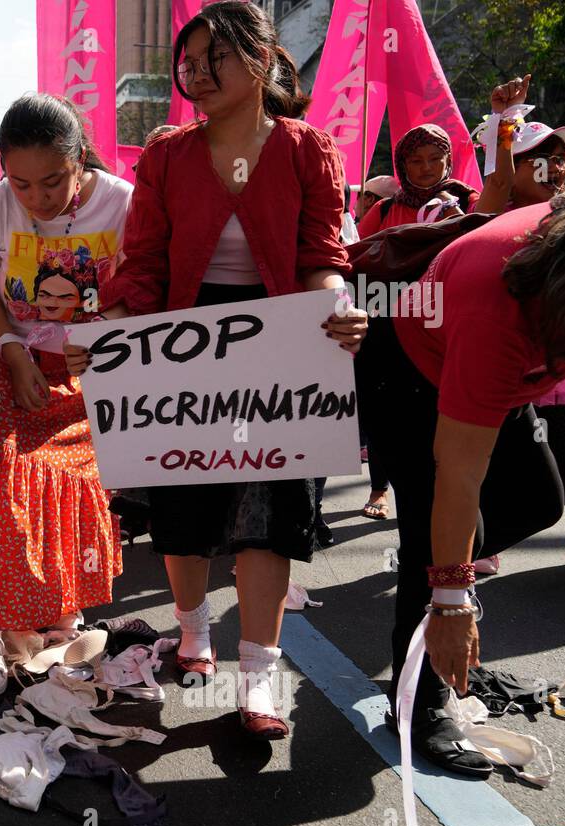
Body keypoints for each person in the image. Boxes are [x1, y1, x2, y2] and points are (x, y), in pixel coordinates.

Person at [101, 0, 367, 740]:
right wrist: (116, 330)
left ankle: (258, 680)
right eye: (189, 61)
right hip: (184, 345)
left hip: (283, 346)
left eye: (215, 57)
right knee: (183, 509)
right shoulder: (165, 155)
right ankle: (192, 636)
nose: (197, 73)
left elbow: (323, 259)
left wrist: (337, 307)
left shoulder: (308, 148)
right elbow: (145, 263)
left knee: (270, 514)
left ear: (261, 58)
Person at [360, 191, 565, 776]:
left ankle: (441, 604)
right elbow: (457, 477)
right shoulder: (499, 318)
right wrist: (450, 598)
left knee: (540, 501)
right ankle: (418, 697)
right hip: (409, 373)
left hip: (489, 356)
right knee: (435, 542)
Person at [0, 93, 131, 695]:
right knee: (0, 481)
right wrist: (10, 348)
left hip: (94, 370)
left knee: (76, 489)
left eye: (53, 181)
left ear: (80, 158)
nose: (38, 199)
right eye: (21, 184)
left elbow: (144, 288)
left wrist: (104, 333)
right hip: (16, 363)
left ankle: (58, 610)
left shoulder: (122, 203)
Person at [467, 76, 565, 575]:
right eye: (544, 155)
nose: (557, 166)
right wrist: (506, 118)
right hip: (494, 357)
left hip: (550, 357)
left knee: (561, 449)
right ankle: (470, 543)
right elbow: (495, 184)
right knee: (480, 452)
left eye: (563, 157)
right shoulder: (491, 210)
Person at [356, 125, 479, 239]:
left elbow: (483, 237)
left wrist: (450, 207)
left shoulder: (467, 199)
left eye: (435, 159)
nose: (426, 167)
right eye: (416, 161)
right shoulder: (384, 209)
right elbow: (358, 252)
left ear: (448, 160)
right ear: (403, 166)